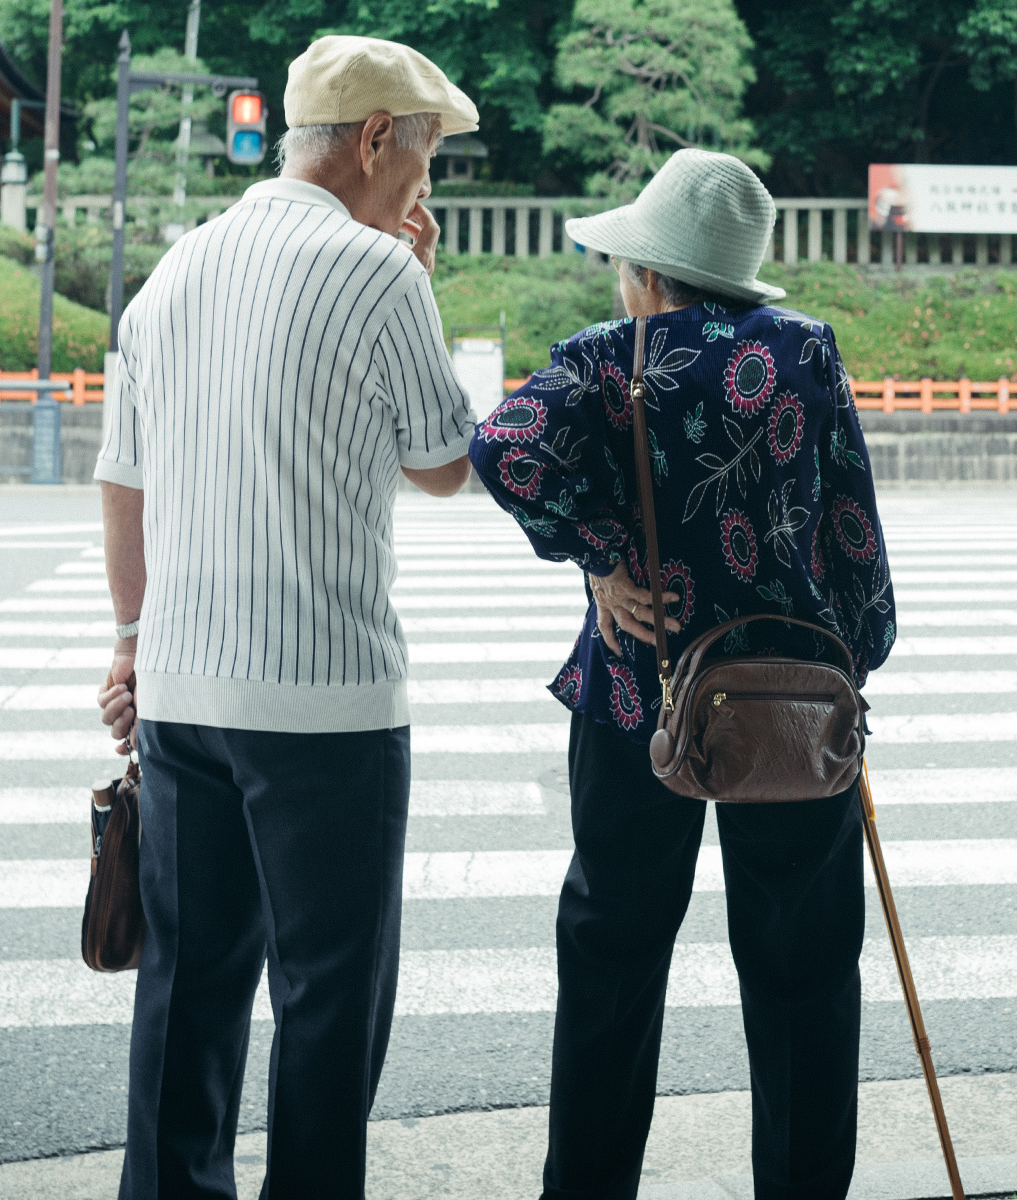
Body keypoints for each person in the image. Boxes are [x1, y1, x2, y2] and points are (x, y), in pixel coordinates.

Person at [92, 35, 479, 1199]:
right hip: (323, 702)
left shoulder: (173, 270)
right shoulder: (377, 272)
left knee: (187, 986)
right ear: (372, 141)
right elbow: (444, 462)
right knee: (326, 999)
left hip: (183, 692)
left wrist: (130, 643)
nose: (424, 193)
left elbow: (124, 478)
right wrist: (418, 277)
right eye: (422, 166)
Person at [469, 149, 897, 1200]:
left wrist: (602, 558)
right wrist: (856, 651)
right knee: (802, 970)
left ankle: (586, 1189)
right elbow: (850, 519)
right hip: (792, 701)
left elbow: (502, 448)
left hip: (636, 689)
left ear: (651, 274)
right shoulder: (803, 350)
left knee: (613, 953)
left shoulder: (607, 357)